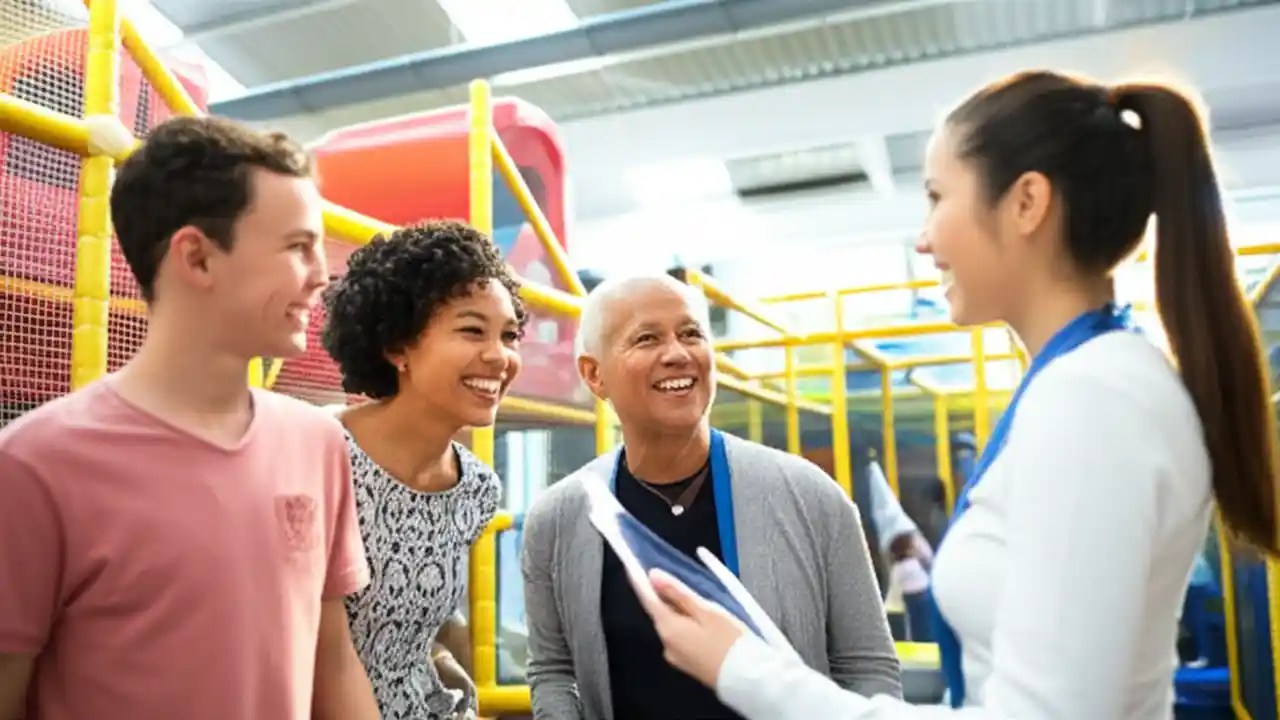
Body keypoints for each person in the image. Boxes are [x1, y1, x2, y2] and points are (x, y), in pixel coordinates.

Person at [630, 70, 1280, 719]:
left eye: (937, 197)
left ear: (1027, 203)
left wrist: (748, 672)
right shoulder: (1088, 383)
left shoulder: (1095, 399)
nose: (924, 239)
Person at [0, 116, 379, 718]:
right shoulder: (34, 466)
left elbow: (332, 661)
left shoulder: (318, 443)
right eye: (297, 246)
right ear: (197, 258)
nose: (321, 275)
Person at [521, 274, 902, 720]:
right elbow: (552, 670)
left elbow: (868, 668)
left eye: (691, 334)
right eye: (647, 339)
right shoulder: (558, 518)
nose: (677, 353)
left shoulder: (810, 497)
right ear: (594, 374)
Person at [322, 220, 524, 719]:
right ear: (398, 346)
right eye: (472, 330)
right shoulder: (318, 451)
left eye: (510, 335)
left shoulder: (476, 489)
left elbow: (410, 624)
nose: (499, 356)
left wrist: (437, 658)